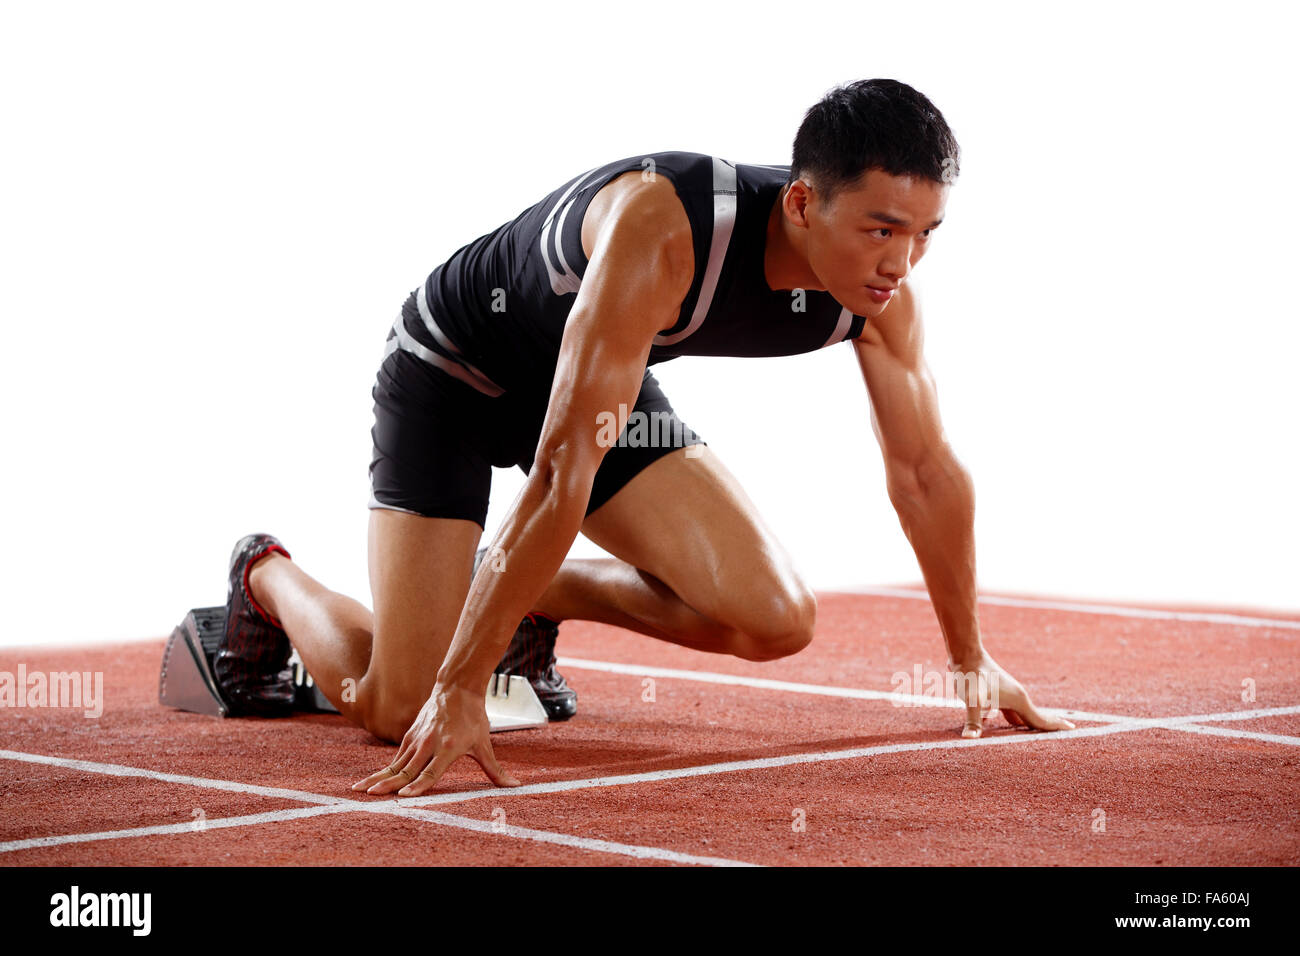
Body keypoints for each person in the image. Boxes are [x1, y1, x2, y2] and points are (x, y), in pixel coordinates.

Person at [213, 78, 1074, 798]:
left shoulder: (882, 301)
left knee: (776, 618)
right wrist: (463, 686)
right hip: (453, 373)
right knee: (401, 704)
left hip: (599, 382)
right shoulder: (664, 230)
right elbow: (557, 477)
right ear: (805, 203)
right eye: (881, 230)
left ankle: (530, 594)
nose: (901, 263)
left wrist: (971, 659)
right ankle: (266, 577)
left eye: (925, 235)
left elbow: (924, 472)